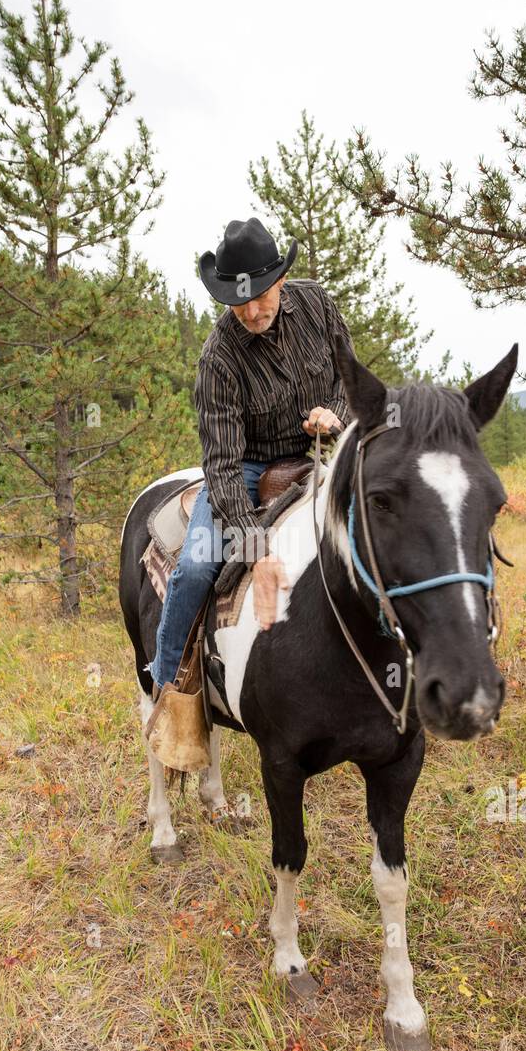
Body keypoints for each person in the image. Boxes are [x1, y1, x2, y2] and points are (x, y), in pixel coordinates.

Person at [147, 216, 354, 693]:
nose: (251, 309)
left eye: (261, 294)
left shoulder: (315, 304)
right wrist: (255, 549)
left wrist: (335, 413)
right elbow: (220, 467)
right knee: (197, 565)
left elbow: (348, 373)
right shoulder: (218, 359)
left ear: (280, 280)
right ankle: (167, 683)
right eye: (238, 301)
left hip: (316, 454)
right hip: (245, 467)